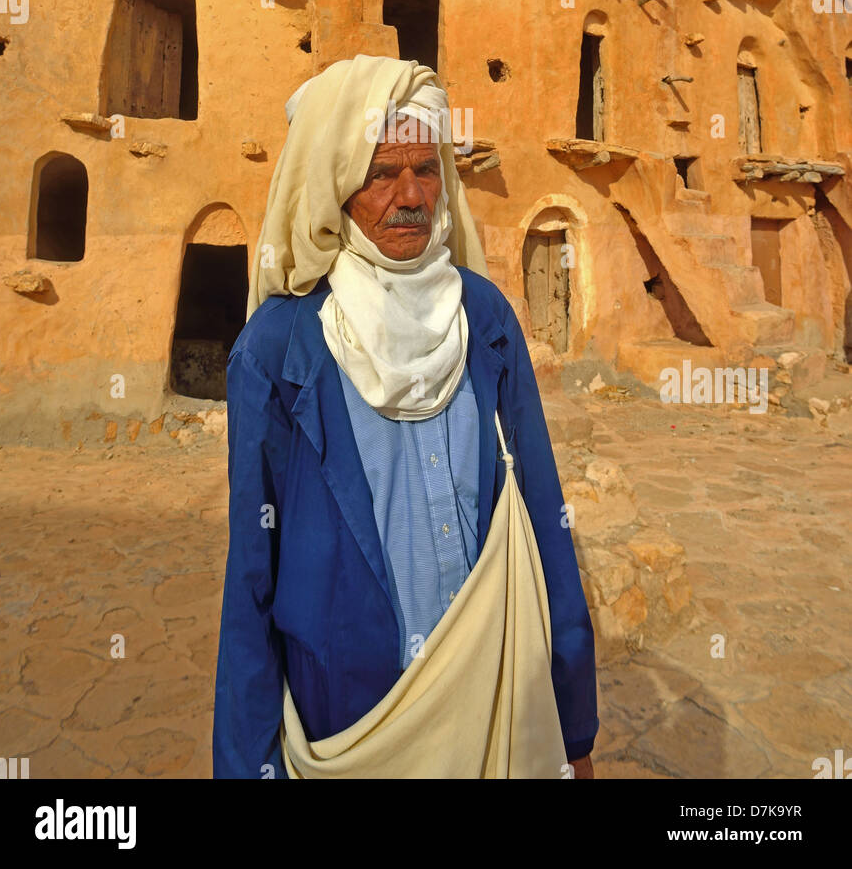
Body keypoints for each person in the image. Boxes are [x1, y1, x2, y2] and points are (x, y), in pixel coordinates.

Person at [213, 53, 598, 778]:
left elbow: (543, 514)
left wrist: (573, 723)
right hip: (355, 718)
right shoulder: (277, 351)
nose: (411, 194)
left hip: (498, 696)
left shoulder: (482, 320)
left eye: (426, 168)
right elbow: (251, 580)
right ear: (334, 183)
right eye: (381, 173)